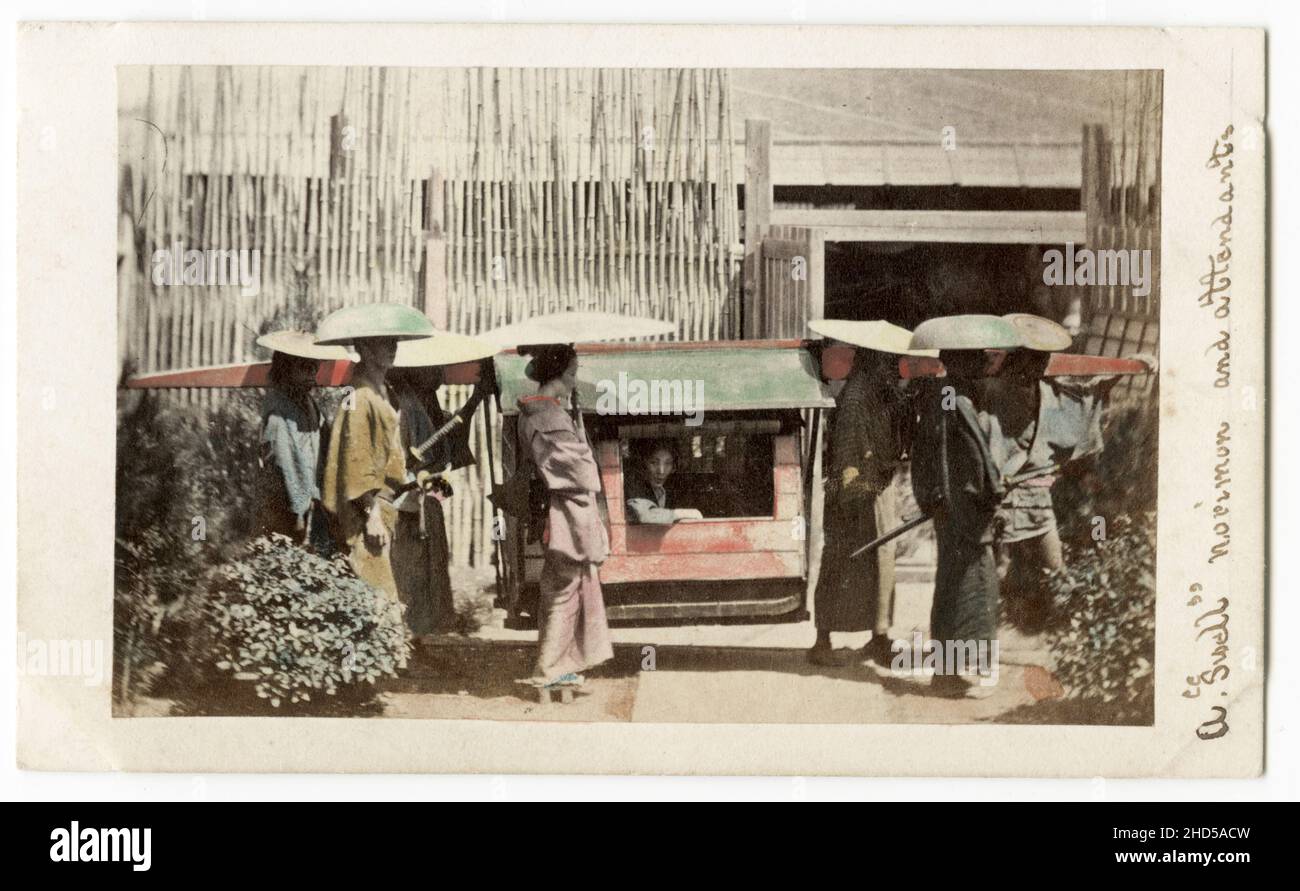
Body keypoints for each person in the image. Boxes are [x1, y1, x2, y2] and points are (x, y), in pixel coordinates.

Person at [909, 315, 1019, 698]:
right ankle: (958, 673)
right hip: (968, 512)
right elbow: (978, 461)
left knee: (950, 584)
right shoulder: (960, 400)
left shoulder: (940, 395)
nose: (986, 364)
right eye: (979, 358)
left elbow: (928, 457)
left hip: (948, 508)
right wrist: (995, 489)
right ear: (965, 360)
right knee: (974, 588)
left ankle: (946, 672)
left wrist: (933, 498)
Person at [514, 343, 613, 690]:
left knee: (558, 588)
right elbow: (582, 472)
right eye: (573, 371)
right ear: (562, 373)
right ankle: (550, 670)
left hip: (559, 508)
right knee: (564, 591)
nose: (575, 379)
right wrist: (583, 445)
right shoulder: (547, 416)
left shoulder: (541, 412)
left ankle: (557, 664)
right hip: (567, 511)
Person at [809, 343, 911, 667]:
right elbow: (848, 456)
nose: (893, 370)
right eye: (888, 363)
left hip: (869, 485)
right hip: (855, 490)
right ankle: (824, 639)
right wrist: (858, 493)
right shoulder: (856, 397)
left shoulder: (878, 394)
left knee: (874, 562)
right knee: (843, 560)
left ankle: (878, 634)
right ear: (874, 363)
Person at [388, 365, 486, 638]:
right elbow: (399, 461)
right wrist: (417, 476)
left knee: (431, 567)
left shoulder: (427, 404)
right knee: (412, 572)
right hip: (407, 503)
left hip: (428, 497)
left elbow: (452, 431)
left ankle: (424, 633)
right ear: (415, 371)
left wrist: (476, 398)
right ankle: (408, 634)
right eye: (432, 370)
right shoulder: (404, 407)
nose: (440, 375)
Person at [252, 331, 339, 554]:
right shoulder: (277, 411)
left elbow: (326, 442)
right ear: (286, 368)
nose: (312, 373)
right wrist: (299, 508)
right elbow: (283, 462)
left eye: (314, 367)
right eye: (304, 367)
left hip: (312, 500)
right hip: (287, 504)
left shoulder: (310, 403)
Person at [624, 440, 703, 524]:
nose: (661, 471)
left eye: (668, 463)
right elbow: (646, 515)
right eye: (654, 463)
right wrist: (683, 513)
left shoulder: (673, 487)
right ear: (643, 463)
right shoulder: (633, 483)